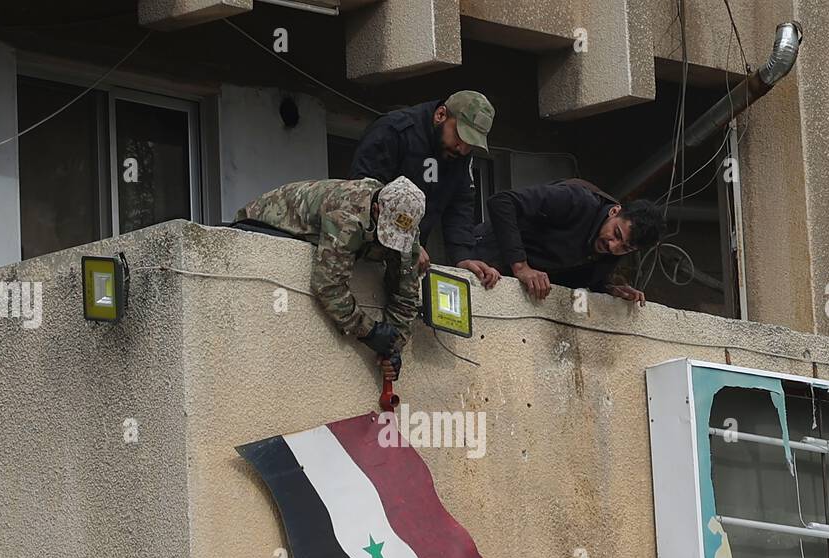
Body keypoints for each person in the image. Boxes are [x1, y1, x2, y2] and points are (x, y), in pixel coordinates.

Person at [234, 176, 425, 380]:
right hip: (264, 222)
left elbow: (406, 297)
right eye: (389, 233)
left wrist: (393, 348)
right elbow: (327, 285)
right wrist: (369, 331)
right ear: (377, 209)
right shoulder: (346, 216)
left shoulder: (405, 223)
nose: (392, 243)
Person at [350, 91, 501, 289]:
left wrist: (463, 256)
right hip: (364, 251)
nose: (462, 148)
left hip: (409, 259)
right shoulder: (394, 129)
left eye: (470, 144)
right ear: (440, 115)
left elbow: (460, 204)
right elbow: (364, 191)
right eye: (460, 136)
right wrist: (408, 240)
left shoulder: (460, 155)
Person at [468, 180, 664, 304]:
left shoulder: (611, 250)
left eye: (625, 247)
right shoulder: (577, 200)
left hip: (510, 293)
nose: (613, 246)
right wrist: (521, 266)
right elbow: (501, 202)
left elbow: (581, 278)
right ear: (614, 211)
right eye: (617, 234)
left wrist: (609, 288)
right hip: (480, 259)